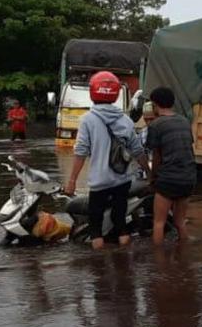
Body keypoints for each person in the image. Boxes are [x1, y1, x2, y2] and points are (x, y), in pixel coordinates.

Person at [64, 71, 150, 249]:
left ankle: (99, 263)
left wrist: (72, 181)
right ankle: (124, 260)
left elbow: (80, 152)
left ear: (93, 92)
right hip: (123, 180)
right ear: (116, 93)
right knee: (121, 224)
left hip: (99, 182)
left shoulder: (88, 120)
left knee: (96, 228)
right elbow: (137, 151)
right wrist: (149, 173)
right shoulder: (125, 120)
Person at [144, 87, 196, 243]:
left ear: (155, 104)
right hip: (188, 178)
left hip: (168, 180)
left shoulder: (156, 125)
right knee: (180, 222)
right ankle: (184, 253)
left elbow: (157, 157)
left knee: (158, 223)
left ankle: (158, 257)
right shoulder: (184, 121)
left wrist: (152, 178)